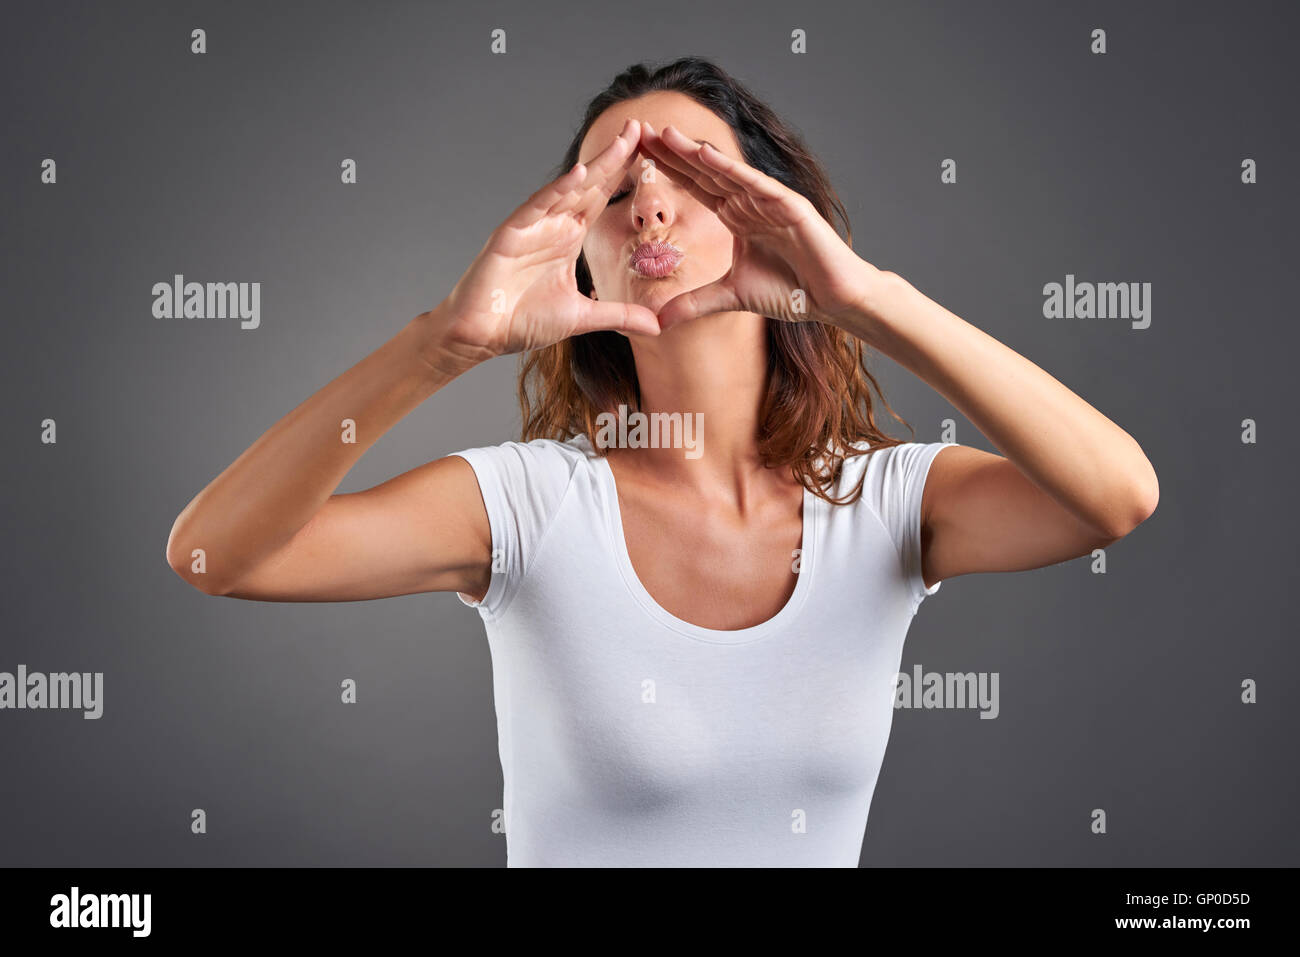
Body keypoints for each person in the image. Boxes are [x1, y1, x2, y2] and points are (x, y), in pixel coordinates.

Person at [165, 57, 1158, 866]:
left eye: (689, 174)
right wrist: (444, 343)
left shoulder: (883, 503)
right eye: (613, 187)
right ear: (580, 246)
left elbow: (1117, 495)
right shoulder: (527, 507)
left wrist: (862, 299)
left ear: (770, 209)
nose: (648, 208)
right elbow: (217, 556)